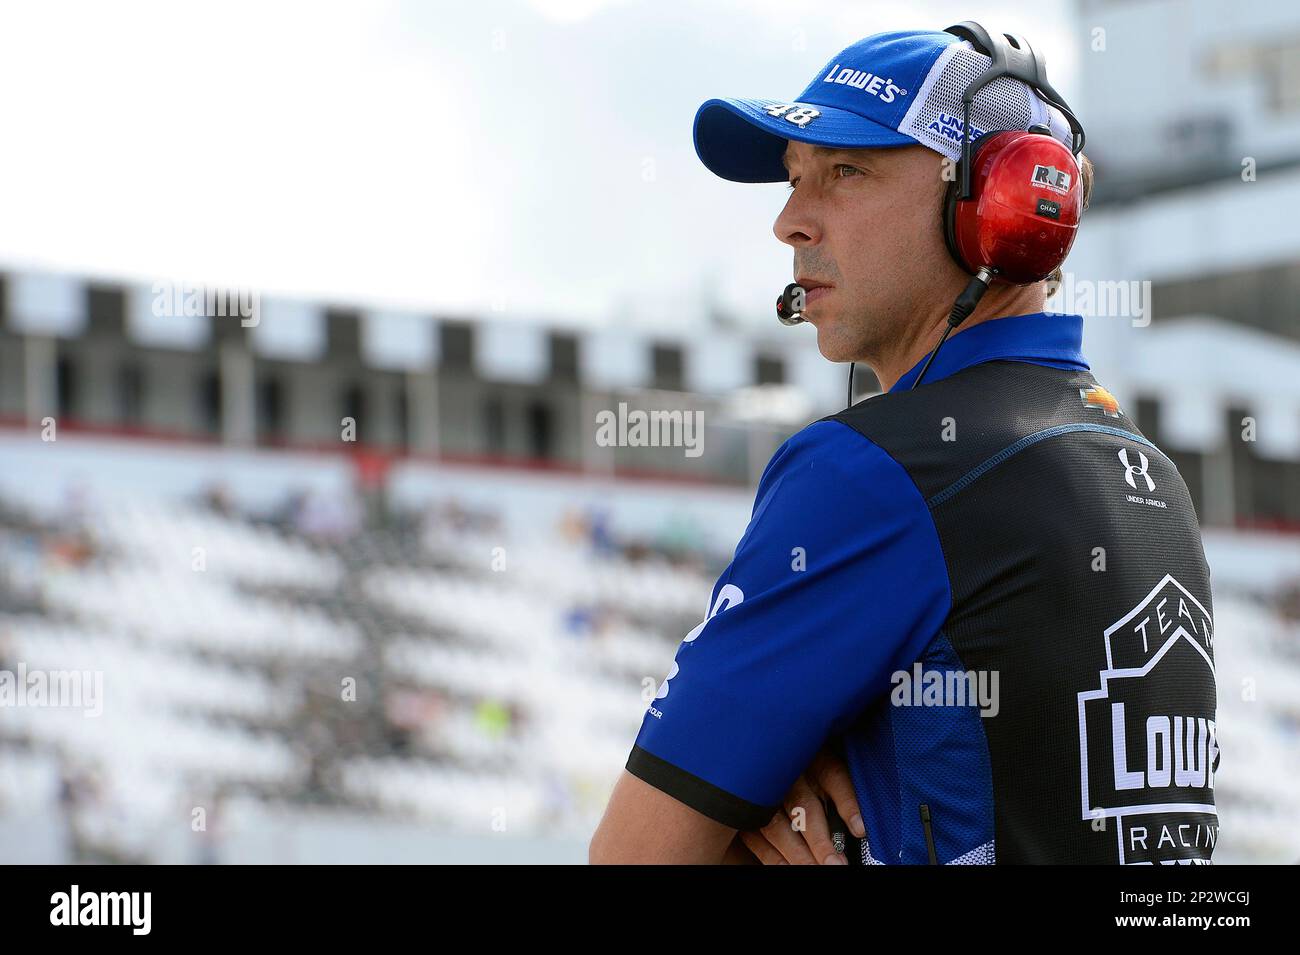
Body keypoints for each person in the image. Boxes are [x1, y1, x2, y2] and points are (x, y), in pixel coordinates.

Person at [591, 24, 1219, 865]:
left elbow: (632, 855)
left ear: (994, 204)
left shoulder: (867, 474)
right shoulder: (1151, 473)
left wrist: (753, 799)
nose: (789, 222)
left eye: (847, 172)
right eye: (792, 177)